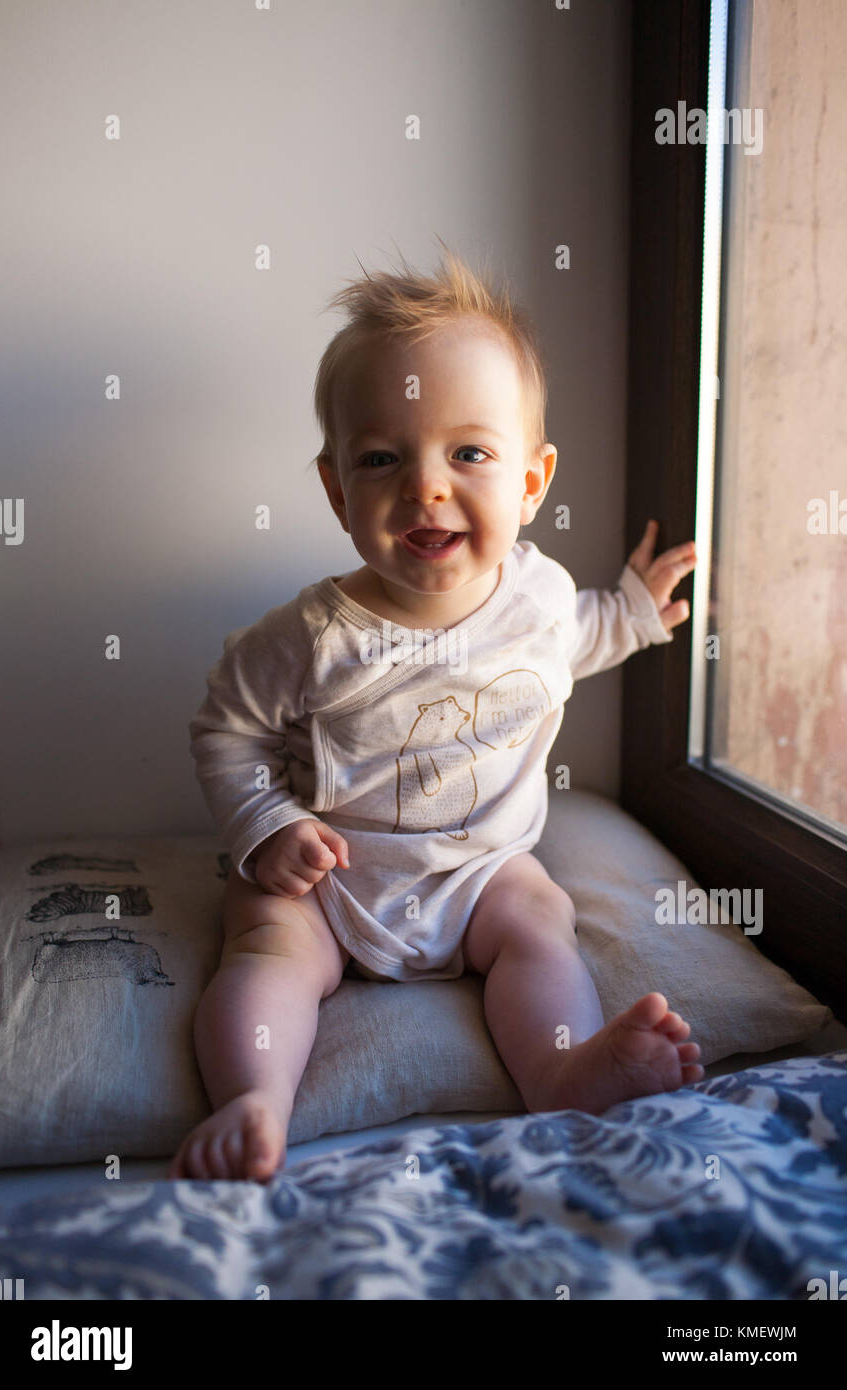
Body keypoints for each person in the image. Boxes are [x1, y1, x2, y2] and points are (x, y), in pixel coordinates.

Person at [168, 245, 701, 1181]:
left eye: (469, 452)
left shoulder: (537, 596)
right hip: (332, 883)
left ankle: (561, 1066)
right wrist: (266, 823)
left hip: (478, 874)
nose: (426, 485)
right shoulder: (311, 634)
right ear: (337, 490)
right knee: (263, 942)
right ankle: (255, 1096)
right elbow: (227, 729)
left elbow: (570, 640)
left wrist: (633, 614)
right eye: (382, 458)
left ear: (531, 483)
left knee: (541, 915)